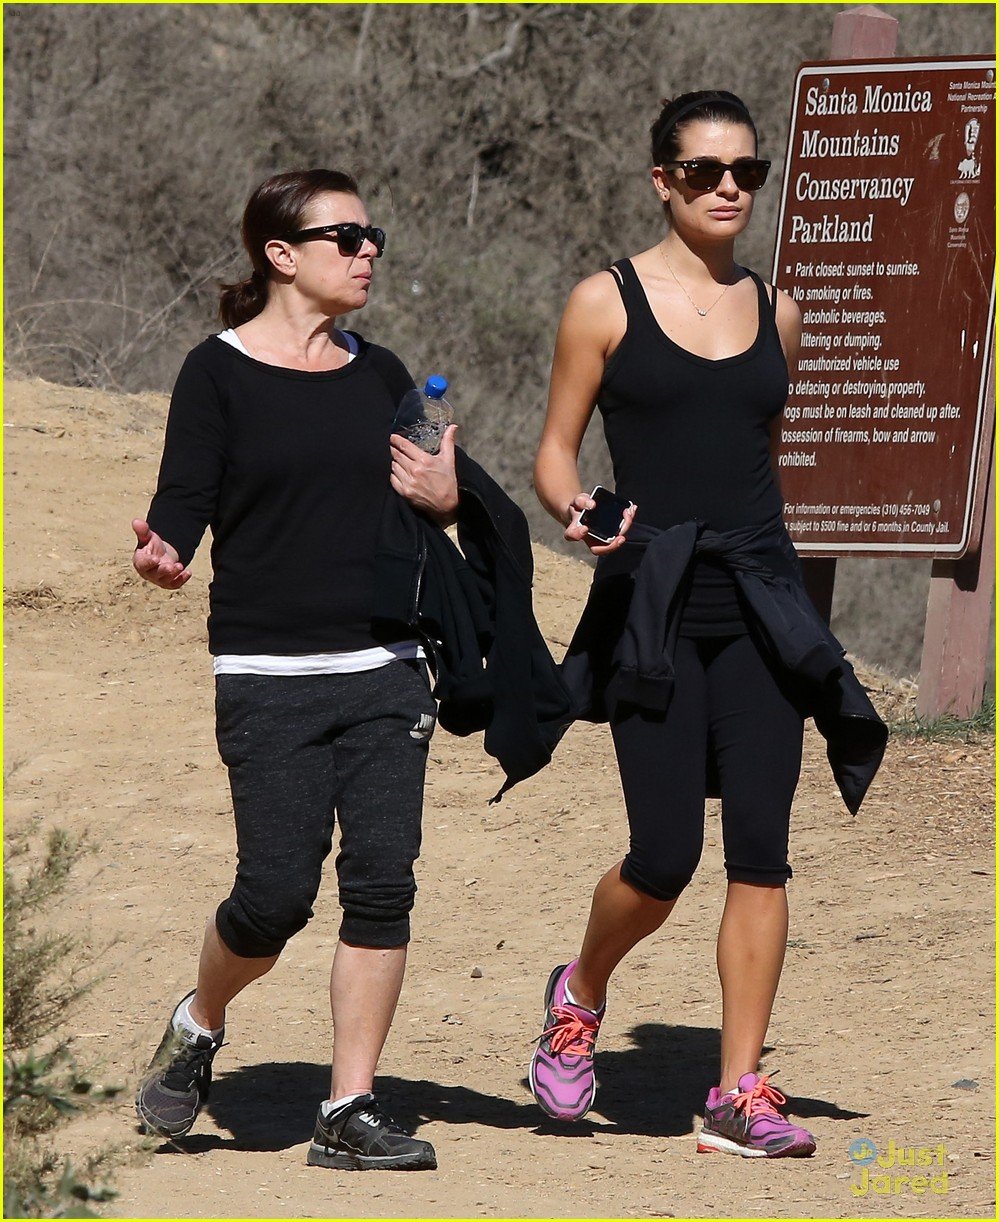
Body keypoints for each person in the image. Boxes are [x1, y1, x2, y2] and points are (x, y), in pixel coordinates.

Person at [528, 92, 886, 1157]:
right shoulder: (605, 302)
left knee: (763, 855)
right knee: (664, 854)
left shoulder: (776, 311)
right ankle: (581, 990)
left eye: (745, 171)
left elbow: (755, 454)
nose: (727, 187)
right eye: (703, 170)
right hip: (657, 606)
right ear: (661, 180)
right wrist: (578, 508)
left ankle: (739, 1089)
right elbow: (555, 451)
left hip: (764, 606)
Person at [132, 169, 464, 1172]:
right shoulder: (217, 371)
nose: (367, 252)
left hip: (386, 666)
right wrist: (166, 552)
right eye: (345, 236)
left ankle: (348, 1107)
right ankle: (201, 1018)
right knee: (274, 895)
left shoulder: (383, 372)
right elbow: (182, 499)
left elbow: (431, 498)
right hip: (268, 670)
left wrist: (445, 492)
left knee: (381, 882)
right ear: (280, 254)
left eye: (374, 235)